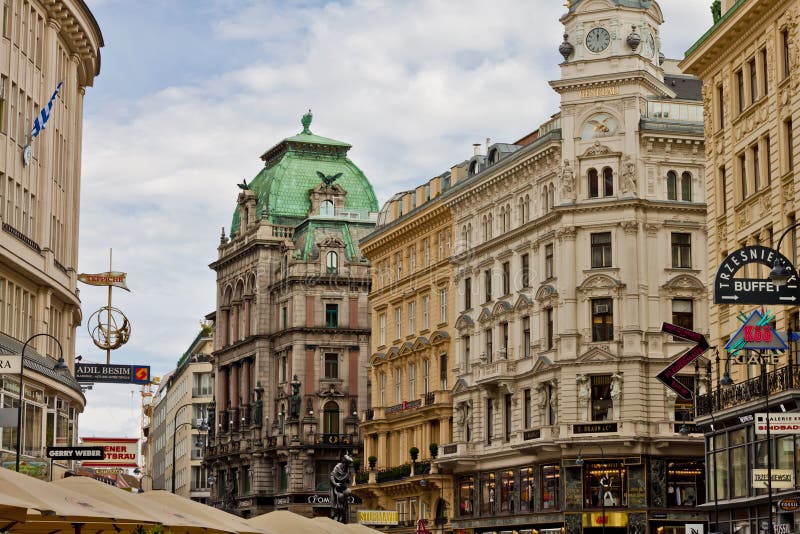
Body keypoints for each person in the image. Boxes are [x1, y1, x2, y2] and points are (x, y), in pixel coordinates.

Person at [330, 454, 353, 523]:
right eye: (347, 463)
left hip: (343, 486)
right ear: (344, 462)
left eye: (348, 464)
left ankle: (342, 516)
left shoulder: (347, 469)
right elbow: (332, 476)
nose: (347, 465)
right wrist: (335, 483)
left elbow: (348, 479)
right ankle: (336, 516)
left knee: (344, 503)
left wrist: (348, 481)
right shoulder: (337, 467)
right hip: (336, 487)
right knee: (337, 504)